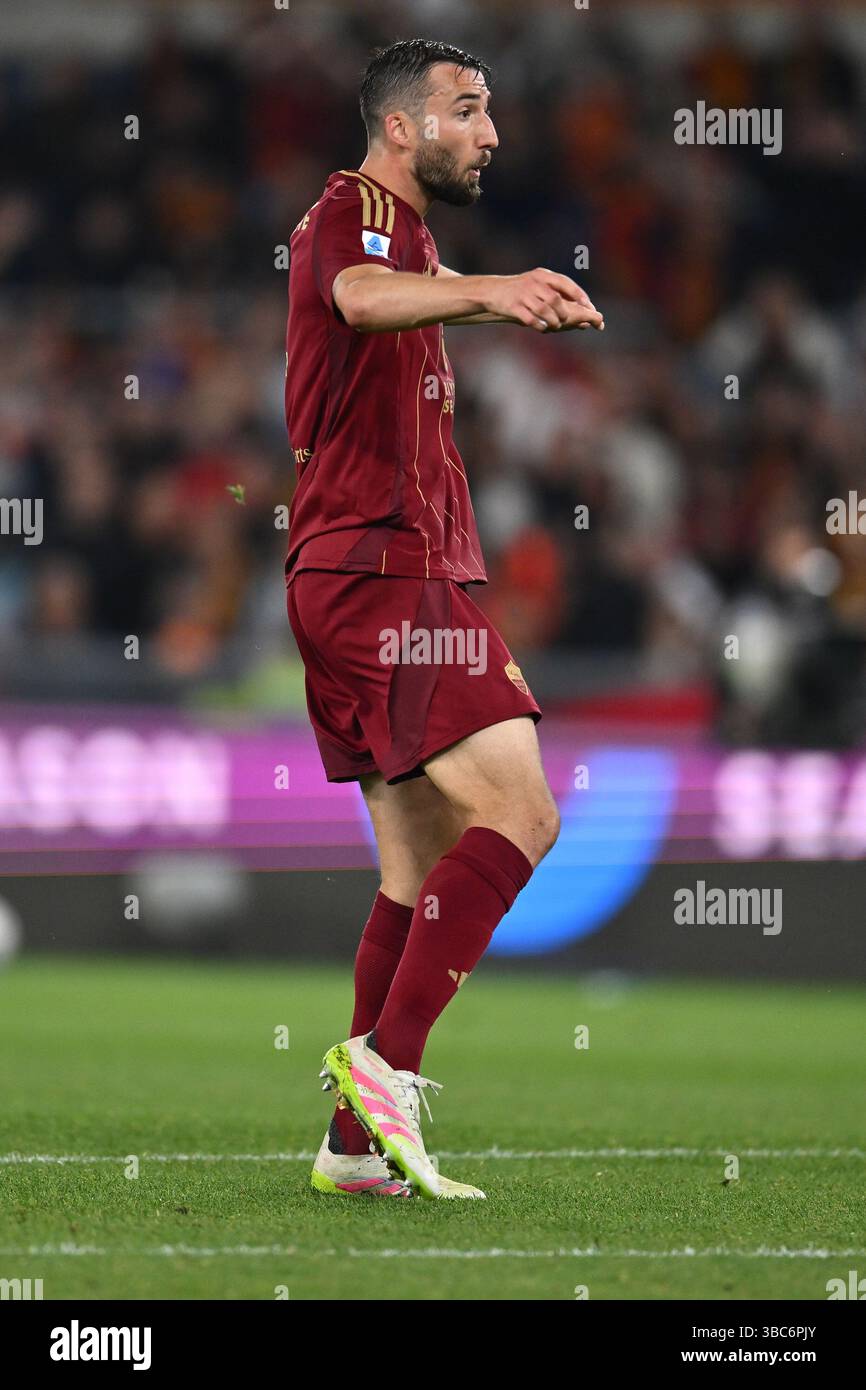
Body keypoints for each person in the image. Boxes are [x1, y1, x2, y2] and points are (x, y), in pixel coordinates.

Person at [284, 38, 604, 1199]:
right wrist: (493, 291)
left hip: (372, 568)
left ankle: (351, 1148)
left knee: (417, 865)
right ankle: (386, 1071)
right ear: (402, 127)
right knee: (523, 812)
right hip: (380, 570)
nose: (491, 132)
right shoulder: (350, 213)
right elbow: (355, 299)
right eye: (466, 110)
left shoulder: (409, 236)